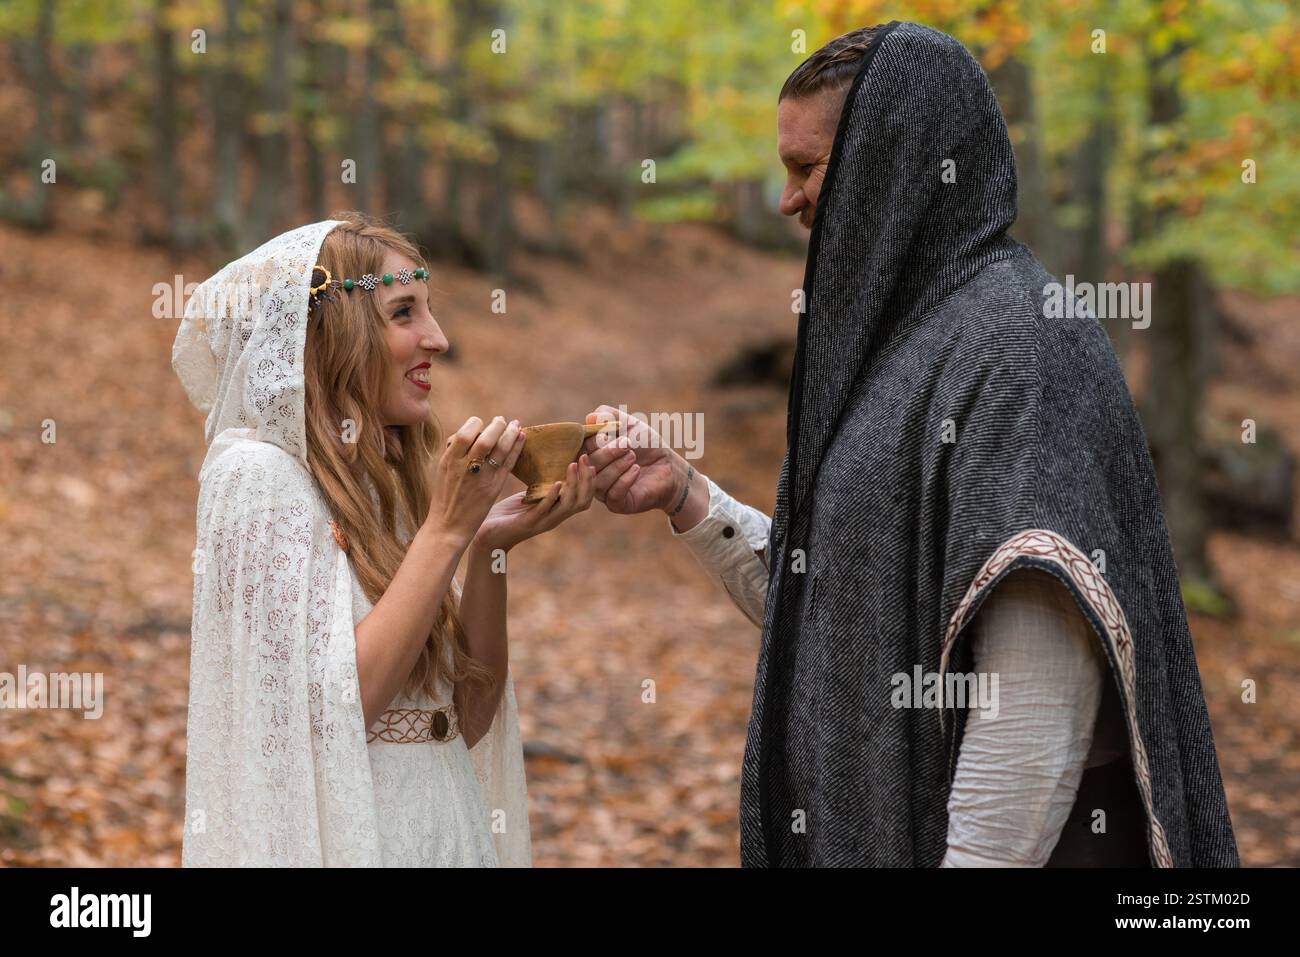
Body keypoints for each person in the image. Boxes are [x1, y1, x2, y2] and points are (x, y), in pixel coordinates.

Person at [584, 21, 1238, 867]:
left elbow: (1031, 712)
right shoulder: (904, 338)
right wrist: (687, 495)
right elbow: (834, 609)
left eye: (806, 168)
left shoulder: (1020, 343)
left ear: (891, 160)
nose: (787, 200)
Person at [173, 214, 594, 866]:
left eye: (430, 311)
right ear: (333, 333)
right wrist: (446, 529)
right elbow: (337, 711)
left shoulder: (382, 493)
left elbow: (463, 717)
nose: (439, 339)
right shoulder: (254, 478)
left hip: (447, 834)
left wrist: (485, 547)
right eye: (404, 313)